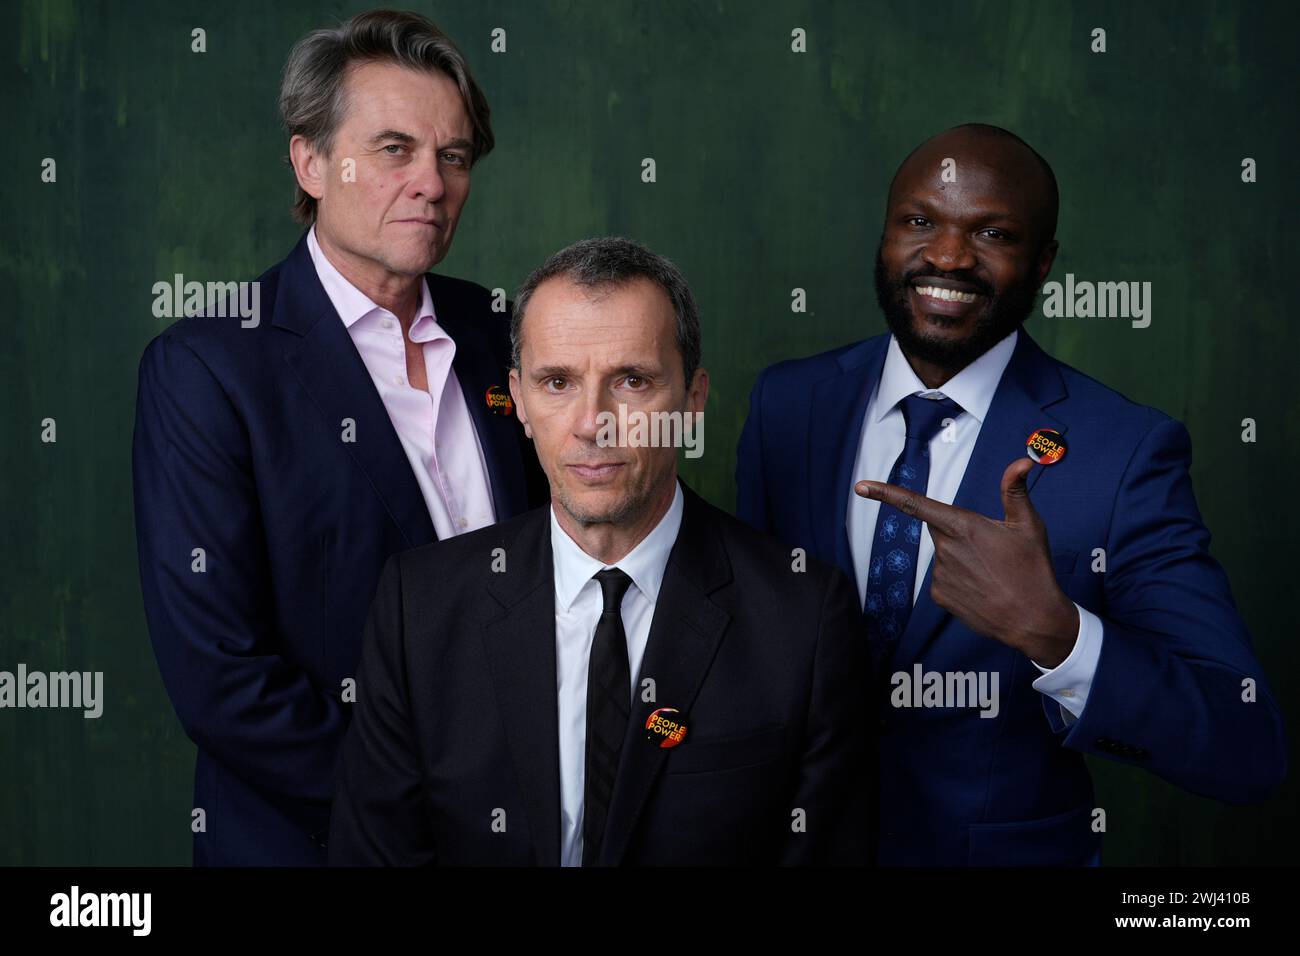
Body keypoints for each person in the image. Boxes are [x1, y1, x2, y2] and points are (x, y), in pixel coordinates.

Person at [736, 123, 1286, 865]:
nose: (949, 256)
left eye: (992, 232)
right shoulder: (788, 405)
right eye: (921, 221)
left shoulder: (1124, 453)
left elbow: (1245, 746)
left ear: (1044, 262)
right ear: (886, 233)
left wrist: (1058, 634)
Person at [132, 10, 543, 866]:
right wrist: (434, 806)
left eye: (454, 156)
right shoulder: (208, 367)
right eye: (395, 149)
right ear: (310, 161)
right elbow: (223, 680)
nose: (432, 183)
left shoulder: (507, 330)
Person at [329, 237, 870, 865]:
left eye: (632, 380)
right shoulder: (417, 608)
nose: (593, 422)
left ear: (692, 402)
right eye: (557, 382)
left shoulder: (805, 619)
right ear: (521, 401)